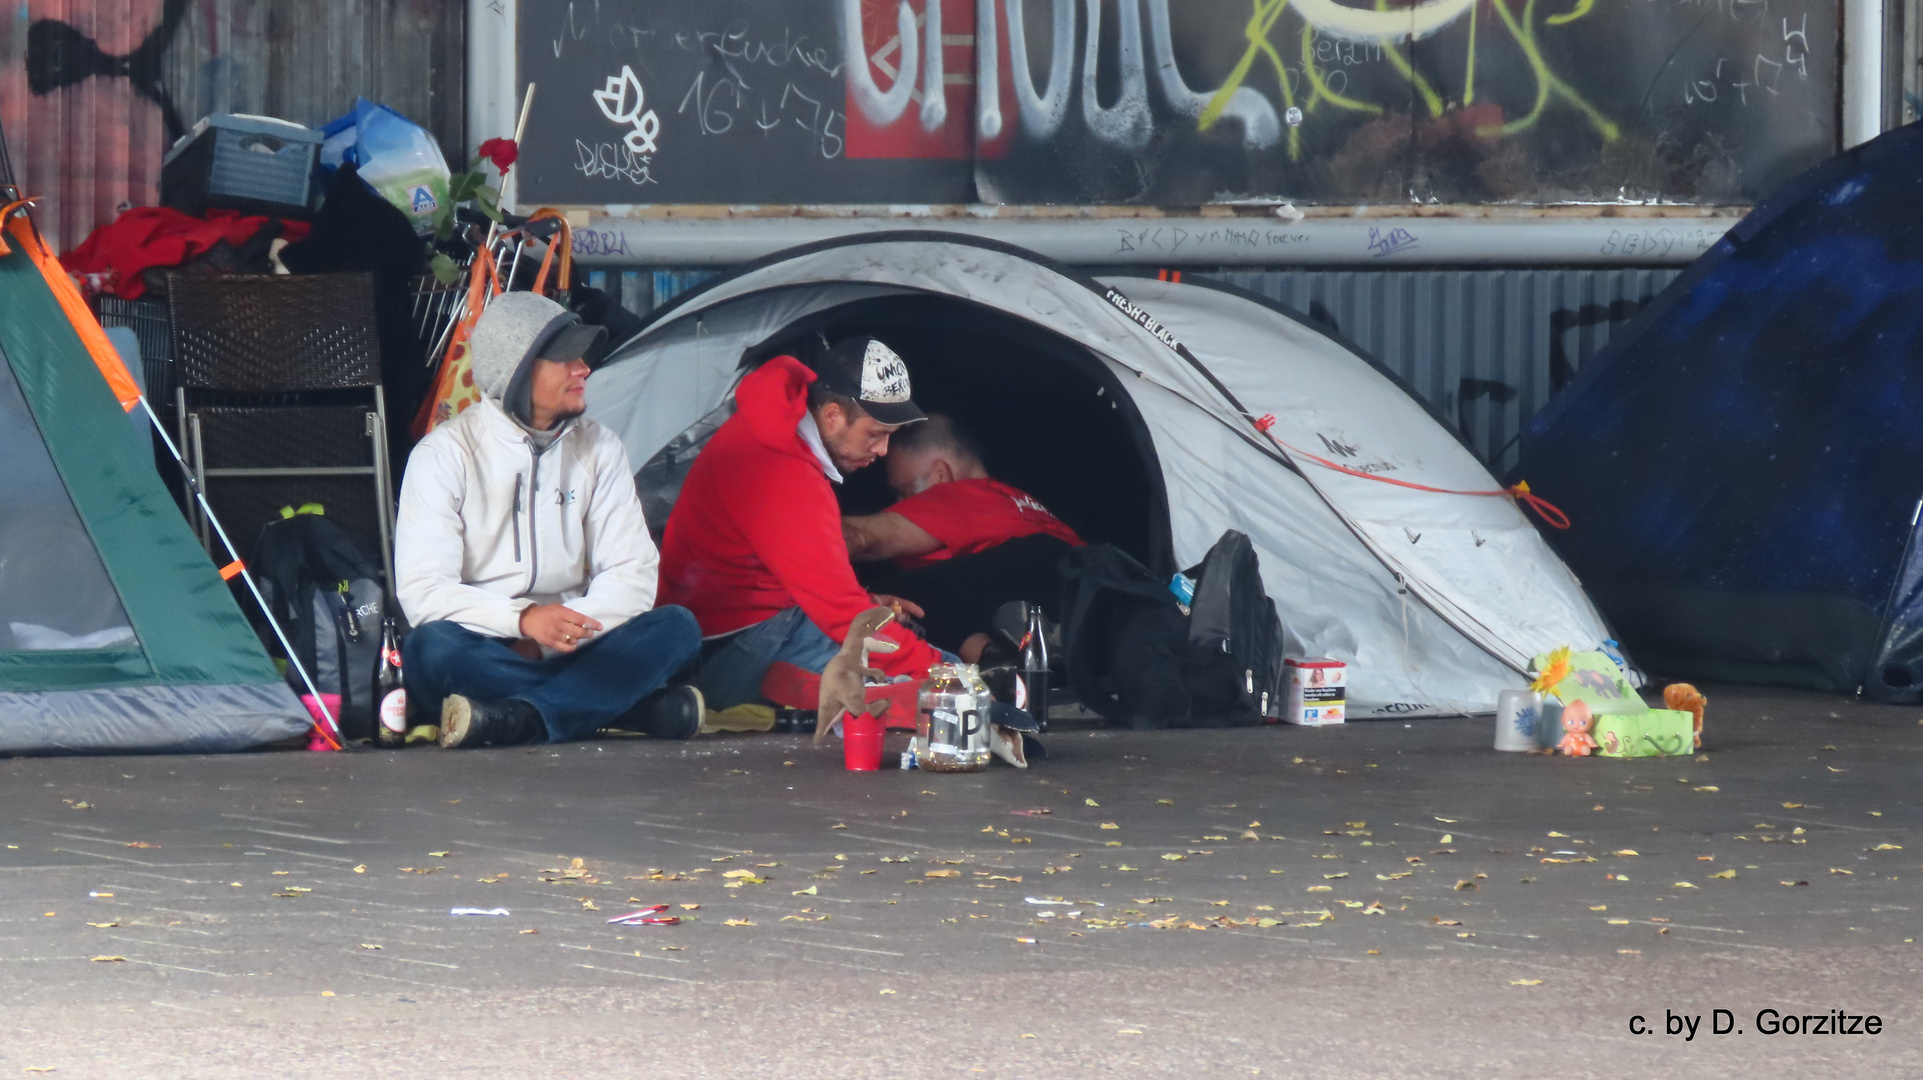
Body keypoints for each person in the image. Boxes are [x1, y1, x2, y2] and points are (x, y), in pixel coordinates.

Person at [395, 292, 704, 748]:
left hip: (574, 641)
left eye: (581, 358)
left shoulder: (600, 448)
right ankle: (625, 707)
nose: (584, 370)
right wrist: (521, 620)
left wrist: (549, 636)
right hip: (484, 644)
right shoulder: (443, 455)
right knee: (430, 648)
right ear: (516, 372)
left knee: (677, 627)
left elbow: (631, 574)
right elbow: (424, 592)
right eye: (565, 359)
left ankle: (523, 718)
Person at [657, 336, 947, 710]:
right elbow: (842, 615)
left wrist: (864, 603)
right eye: (875, 434)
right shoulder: (783, 472)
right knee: (929, 691)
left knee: (896, 660)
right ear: (832, 417)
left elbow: (818, 587)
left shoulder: (777, 425)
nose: (882, 451)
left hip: (736, 631)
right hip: (724, 655)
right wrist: (942, 671)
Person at [843, 415, 1084, 658]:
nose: (901, 505)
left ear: (940, 475)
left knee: (887, 599)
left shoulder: (957, 497)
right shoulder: (1023, 506)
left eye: (904, 492)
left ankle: (992, 664)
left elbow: (860, 537)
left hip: (1039, 602)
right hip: (1084, 617)